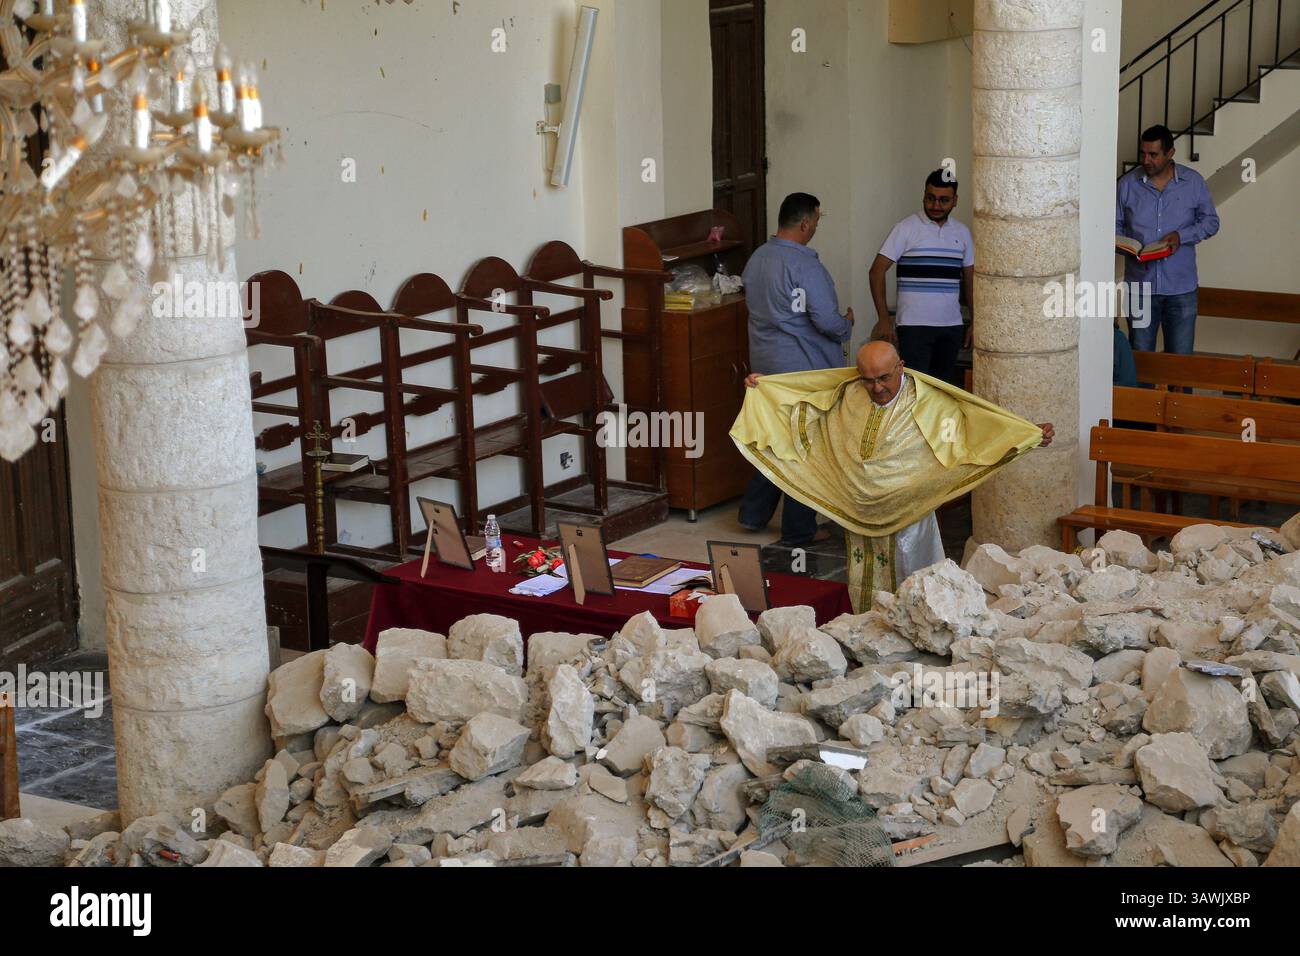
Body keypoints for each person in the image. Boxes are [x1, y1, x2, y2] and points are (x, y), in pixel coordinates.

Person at [734, 342, 1054, 611]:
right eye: (868, 380)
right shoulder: (847, 392)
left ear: (901, 366)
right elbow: (806, 404)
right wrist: (766, 389)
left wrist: (1024, 434)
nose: (876, 388)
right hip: (858, 510)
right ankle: (866, 636)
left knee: (915, 584)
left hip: (908, 510)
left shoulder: (929, 403)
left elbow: (975, 428)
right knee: (863, 583)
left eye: (884, 378)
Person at [738, 192, 855, 547]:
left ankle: (753, 514)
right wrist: (846, 324)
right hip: (805, 369)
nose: (817, 227)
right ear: (805, 223)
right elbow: (825, 320)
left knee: (777, 441)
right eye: (817, 221)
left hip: (767, 368)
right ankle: (799, 529)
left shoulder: (757, 259)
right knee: (807, 448)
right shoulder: (805, 266)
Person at [1116, 124, 1220, 354]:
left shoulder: (1193, 182)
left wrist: (1181, 236)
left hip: (1181, 289)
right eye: (1143, 153)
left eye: (1153, 154)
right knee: (1142, 362)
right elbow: (1114, 225)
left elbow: (1211, 222)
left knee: (1181, 364)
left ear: (1170, 153)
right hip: (1139, 289)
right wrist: (1125, 245)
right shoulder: (1126, 185)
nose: (1146, 160)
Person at [868, 170, 974, 387]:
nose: (935, 205)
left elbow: (971, 279)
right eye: (930, 198)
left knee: (943, 391)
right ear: (924, 196)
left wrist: (975, 321)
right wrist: (883, 318)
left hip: (951, 328)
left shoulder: (962, 233)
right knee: (914, 391)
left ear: (955, 201)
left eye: (943, 200)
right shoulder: (906, 228)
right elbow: (876, 271)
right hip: (913, 328)